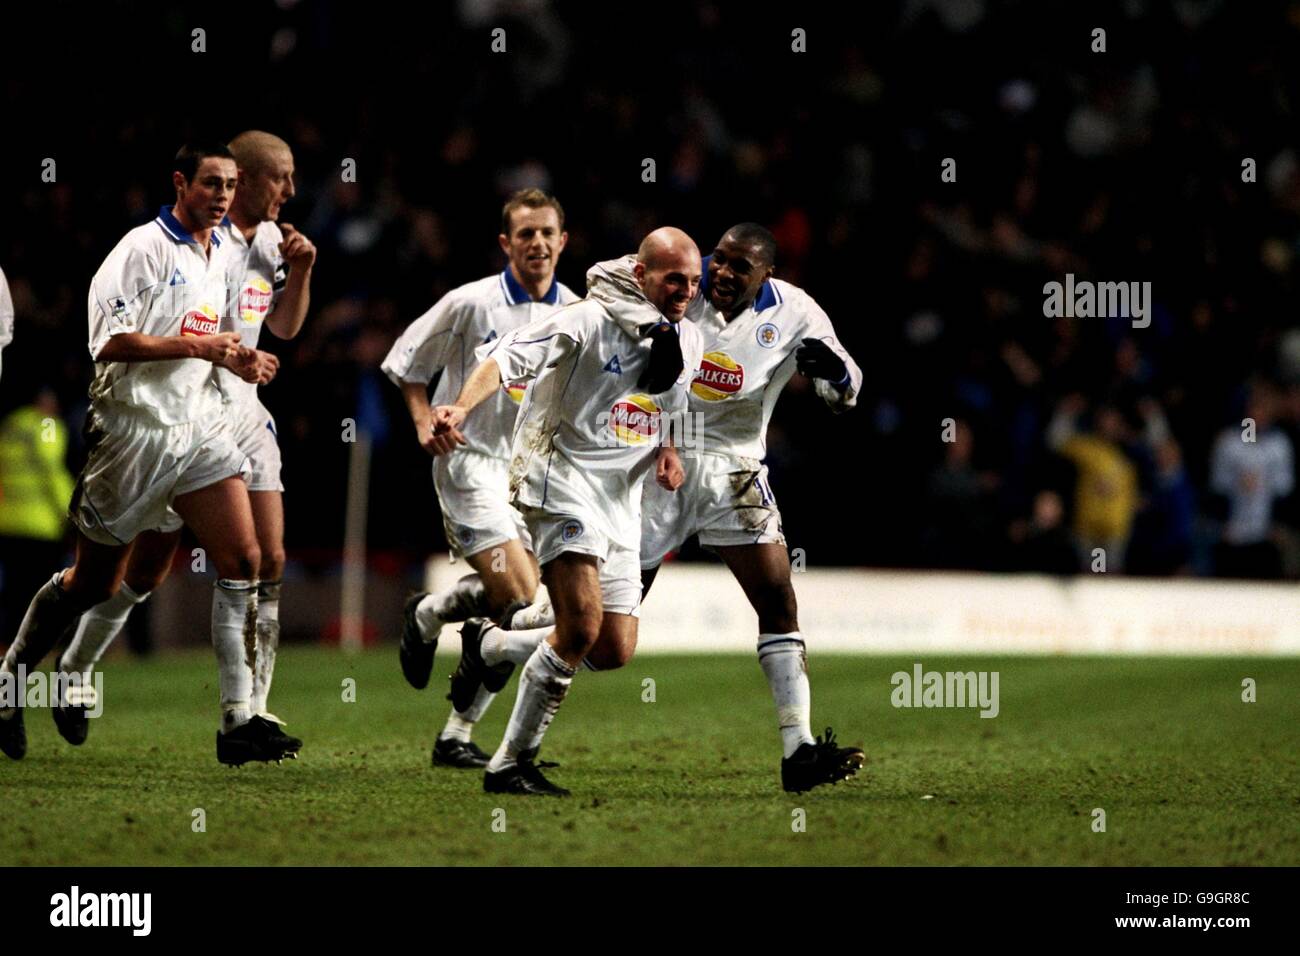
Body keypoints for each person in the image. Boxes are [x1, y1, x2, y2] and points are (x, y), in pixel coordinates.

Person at [0, 144, 286, 765]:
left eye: (230, 186)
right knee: (91, 583)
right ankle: (12, 678)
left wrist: (238, 357)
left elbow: (215, 335)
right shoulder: (140, 250)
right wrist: (200, 349)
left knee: (244, 557)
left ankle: (238, 719)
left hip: (199, 431)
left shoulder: (221, 255)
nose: (222, 196)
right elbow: (110, 342)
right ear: (181, 182)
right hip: (132, 437)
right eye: (212, 183)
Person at [432, 227, 705, 796]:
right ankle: (510, 764)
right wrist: (459, 407)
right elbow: (506, 359)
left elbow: (671, 407)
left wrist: (670, 449)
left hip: (622, 499)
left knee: (612, 647)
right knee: (579, 627)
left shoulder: (689, 339)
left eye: (693, 281)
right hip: (561, 479)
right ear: (641, 274)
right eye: (673, 279)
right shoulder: (586, 320)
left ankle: (491, 645)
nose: (684, 291)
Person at [635, 223, 866, 793]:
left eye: (741, 268)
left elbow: (848, 389)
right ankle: (494, 645)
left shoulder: (797, 312)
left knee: (777, 597)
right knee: (602, 630)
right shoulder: (681, 289)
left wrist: (830, 372)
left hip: (734, 468)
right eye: (721, 260)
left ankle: (799, 751)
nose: (722, 274)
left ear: (767, 276)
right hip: (656, 461)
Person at [382, 189, 578, 768]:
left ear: (563, 241)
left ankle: (452, 722)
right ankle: (447, 639)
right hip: (472, 463)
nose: (537, 243)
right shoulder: (470, 304)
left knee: (525, 605)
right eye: (526, 234)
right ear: (506, 243)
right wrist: (424, 423)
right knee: (521, 600)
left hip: (537, 475)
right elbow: (405, 364)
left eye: (547, 232)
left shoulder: (579, 312)